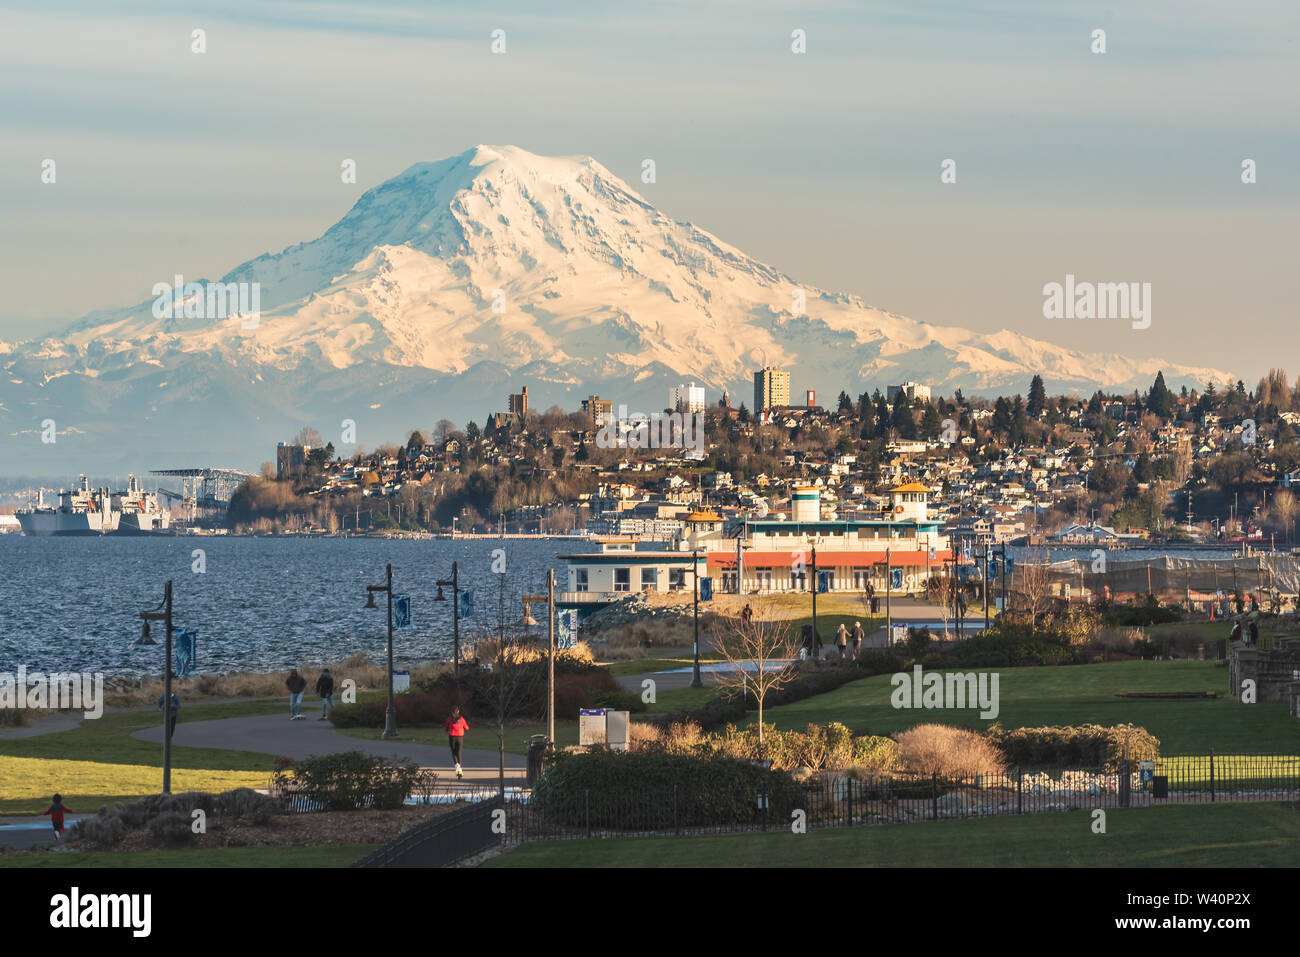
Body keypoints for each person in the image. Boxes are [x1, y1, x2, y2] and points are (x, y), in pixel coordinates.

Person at [445, 706, 470, 780]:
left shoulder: (449, 719)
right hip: (460, 738)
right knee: (458, 753)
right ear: (458, 711)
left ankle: (458, 770)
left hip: (452, 737)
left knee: (454, 753)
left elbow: (446, 728)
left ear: (452, 712)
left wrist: (449, 728)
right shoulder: (461, 719)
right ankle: (459, 770)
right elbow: (467, 728)